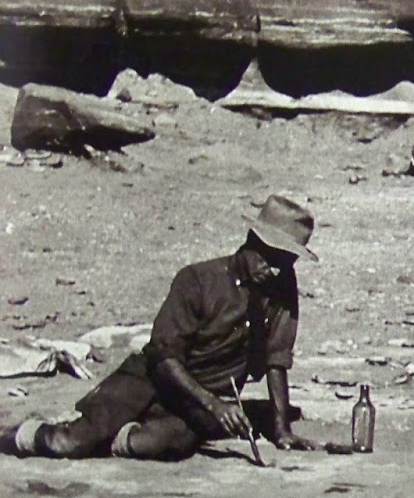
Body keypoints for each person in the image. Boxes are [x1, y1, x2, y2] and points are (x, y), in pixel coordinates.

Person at [6, 194, 319, 461]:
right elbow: (164, 356)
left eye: (287, 262)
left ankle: (125, 434)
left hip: (202, 399)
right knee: (69, 444)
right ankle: (20, 433)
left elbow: (277, 355)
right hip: (152, 379)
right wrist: (214, 405)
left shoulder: (280, 285)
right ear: (253, 242)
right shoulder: (198, 280)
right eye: (272, 259)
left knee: (163, 444)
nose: (277, 271)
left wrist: (282, 431)